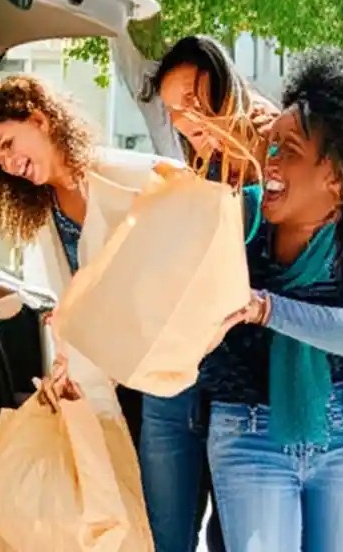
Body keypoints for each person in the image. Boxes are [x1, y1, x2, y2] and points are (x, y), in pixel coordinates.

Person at [198, 46, 343, 552]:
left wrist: (268, 308)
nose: (270, 160)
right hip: (248, 433)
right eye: (271, 146)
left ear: (334, 176)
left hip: (340, 435)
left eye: (289, 150)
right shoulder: (237, 212)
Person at [0, 74, 177, 431]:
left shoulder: (130, 178)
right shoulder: (43, 213)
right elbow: (68, 295)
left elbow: (186, 228)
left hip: (162, 372)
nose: (9, 164)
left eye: (8, 144)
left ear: (39, 119)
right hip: (103, 377)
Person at [132, 35, 277, 552]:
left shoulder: (279, 153)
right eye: (174, 109)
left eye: (195, 102)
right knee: (166, 534)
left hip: (249, 390)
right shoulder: (198, 171)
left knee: (232, 539)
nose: (186, 121)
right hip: (182, 375)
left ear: (228, 88)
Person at [147, 35, 277, 186]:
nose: (183, 118)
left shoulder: (273, 137)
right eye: (172, 108)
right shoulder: (202, 156)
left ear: (222, 84)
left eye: (189, 96)